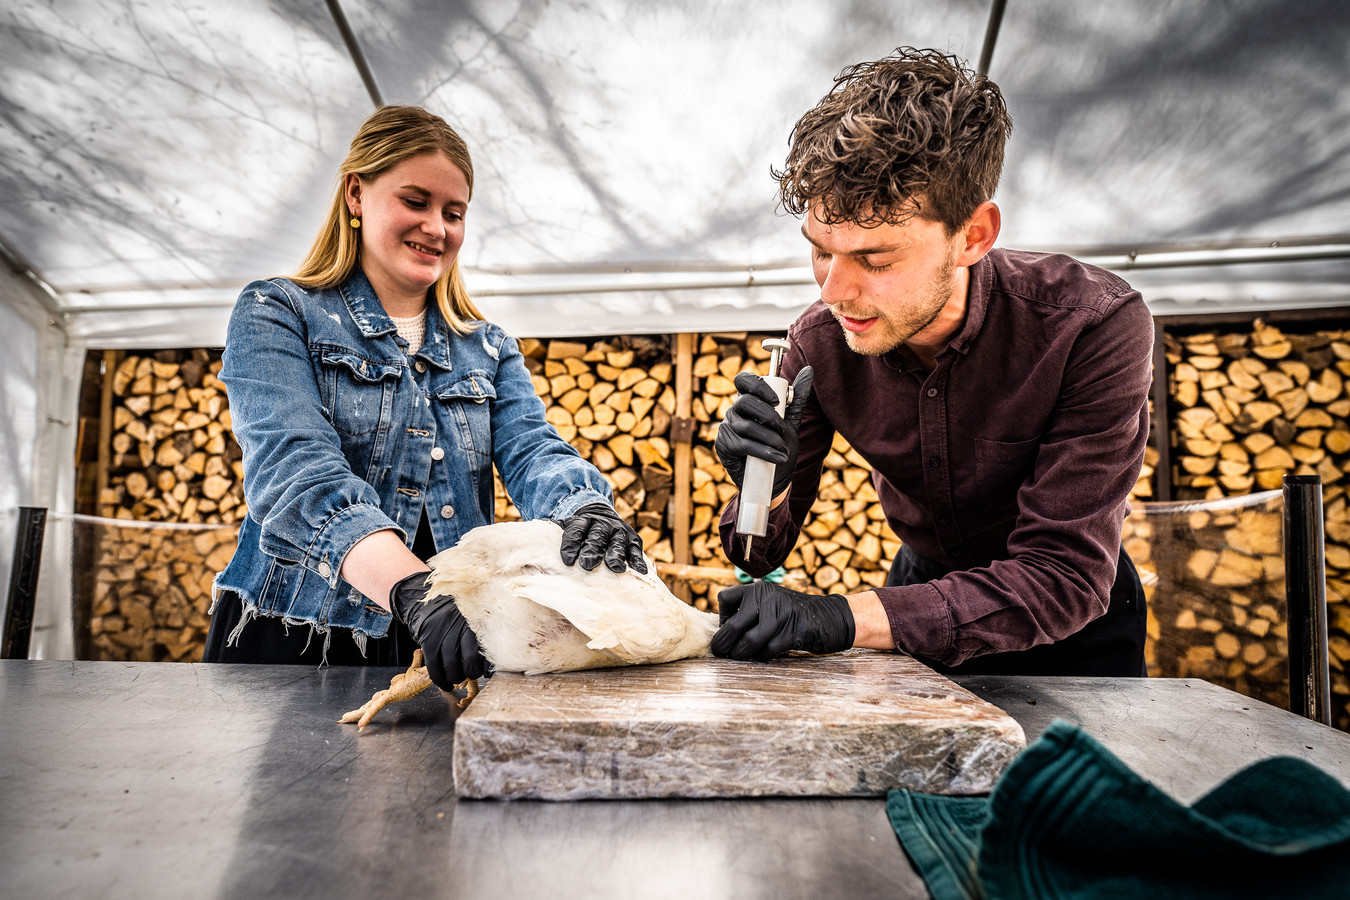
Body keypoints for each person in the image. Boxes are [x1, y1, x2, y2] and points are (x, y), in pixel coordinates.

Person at [712, 48, 1152, 676]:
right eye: (820, 252)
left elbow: (1063, 576)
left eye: (877, 260)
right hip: (919, 603)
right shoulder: (817, 343)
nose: (831, 293)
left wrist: (839, 618)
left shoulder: (1091, 325)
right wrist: (763, 484)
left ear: (973, 235)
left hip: (1075, 633)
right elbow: (755, 556)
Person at [203, 105, 644, 693]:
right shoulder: (278, 312)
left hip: (445, 637)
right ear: (356, 194)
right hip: (296, 631)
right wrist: (413, 589)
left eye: (453, 212)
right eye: (416, 202)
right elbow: (294, 472)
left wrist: (583, 508)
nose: (437, 227)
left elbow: (534, 451)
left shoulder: (488, 348)